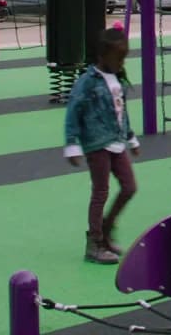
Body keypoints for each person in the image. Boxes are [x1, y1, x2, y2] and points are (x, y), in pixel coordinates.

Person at [63, 26, 140, 264]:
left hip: (116, 141)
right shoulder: (87, 81)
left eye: (123, 58)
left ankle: (106, 229)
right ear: (103, 55)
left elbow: (121, 111)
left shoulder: (118, 80)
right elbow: (73, 111)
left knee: (129, 187)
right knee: (101, 192)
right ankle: (94, 243)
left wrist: (131, 137)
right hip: (96, 143)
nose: (121, 62)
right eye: (117, 57)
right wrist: (72, 144)